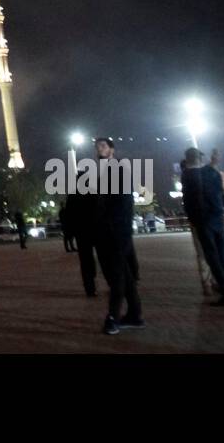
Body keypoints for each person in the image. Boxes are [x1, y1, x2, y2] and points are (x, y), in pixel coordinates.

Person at [90, 138, 143, 334]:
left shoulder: (118, 169)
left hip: (115, 232)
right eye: (97, 146)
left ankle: (112, 317)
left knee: (116, 276)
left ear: (112, 149)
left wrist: (116, 228)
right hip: (111, 232)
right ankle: (135, 315)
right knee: (125, 275)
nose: (99, 148)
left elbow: (122, 203)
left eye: (103, 145)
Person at [180, 148, 224, 306]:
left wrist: (193, 219)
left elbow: (189, 201)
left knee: (212, 257)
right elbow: (220, 194)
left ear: (187, 159)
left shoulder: (187, 175)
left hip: (203, 221)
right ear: (200, 158)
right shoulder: (212, 173)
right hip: (217, 219)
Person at [65, 184, 99, 297]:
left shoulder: (73, 195)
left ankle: (89, 287)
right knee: (103, 257)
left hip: (81, 232)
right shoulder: (93, 192)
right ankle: (112, 284)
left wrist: (71, 231)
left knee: (85, 260)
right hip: (94, 230)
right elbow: (99, 208)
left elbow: (68, 214)